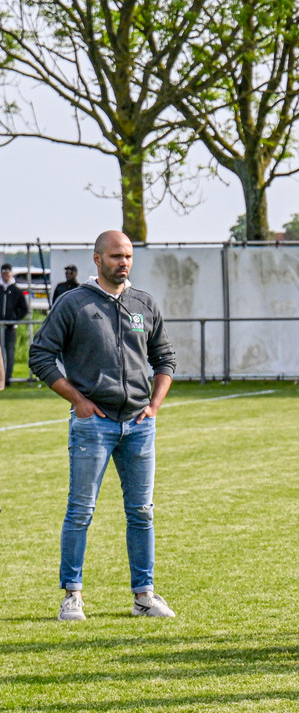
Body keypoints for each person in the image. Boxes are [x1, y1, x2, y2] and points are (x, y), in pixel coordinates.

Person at [29, 231, 176, 621]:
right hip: (93, 425)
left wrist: (154, 405)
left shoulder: (144, 303)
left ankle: (144, 595)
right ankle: (72, 595)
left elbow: (165, 358)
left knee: (142, 511)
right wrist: (78, 401)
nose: (123, 262)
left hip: (139, 425)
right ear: (97, 259)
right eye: (115, 256)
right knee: (80, 511)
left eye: (128, 256)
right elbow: (40, 354)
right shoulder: (73, 303)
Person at [0, 262, 30, 386]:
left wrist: (14, 319)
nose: (6, 275)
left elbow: (24, 309)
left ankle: (7, 379)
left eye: (8, 273)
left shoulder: (16, 290)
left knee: (9, 352)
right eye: (4, 273)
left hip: (10, 327)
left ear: (11, 273)